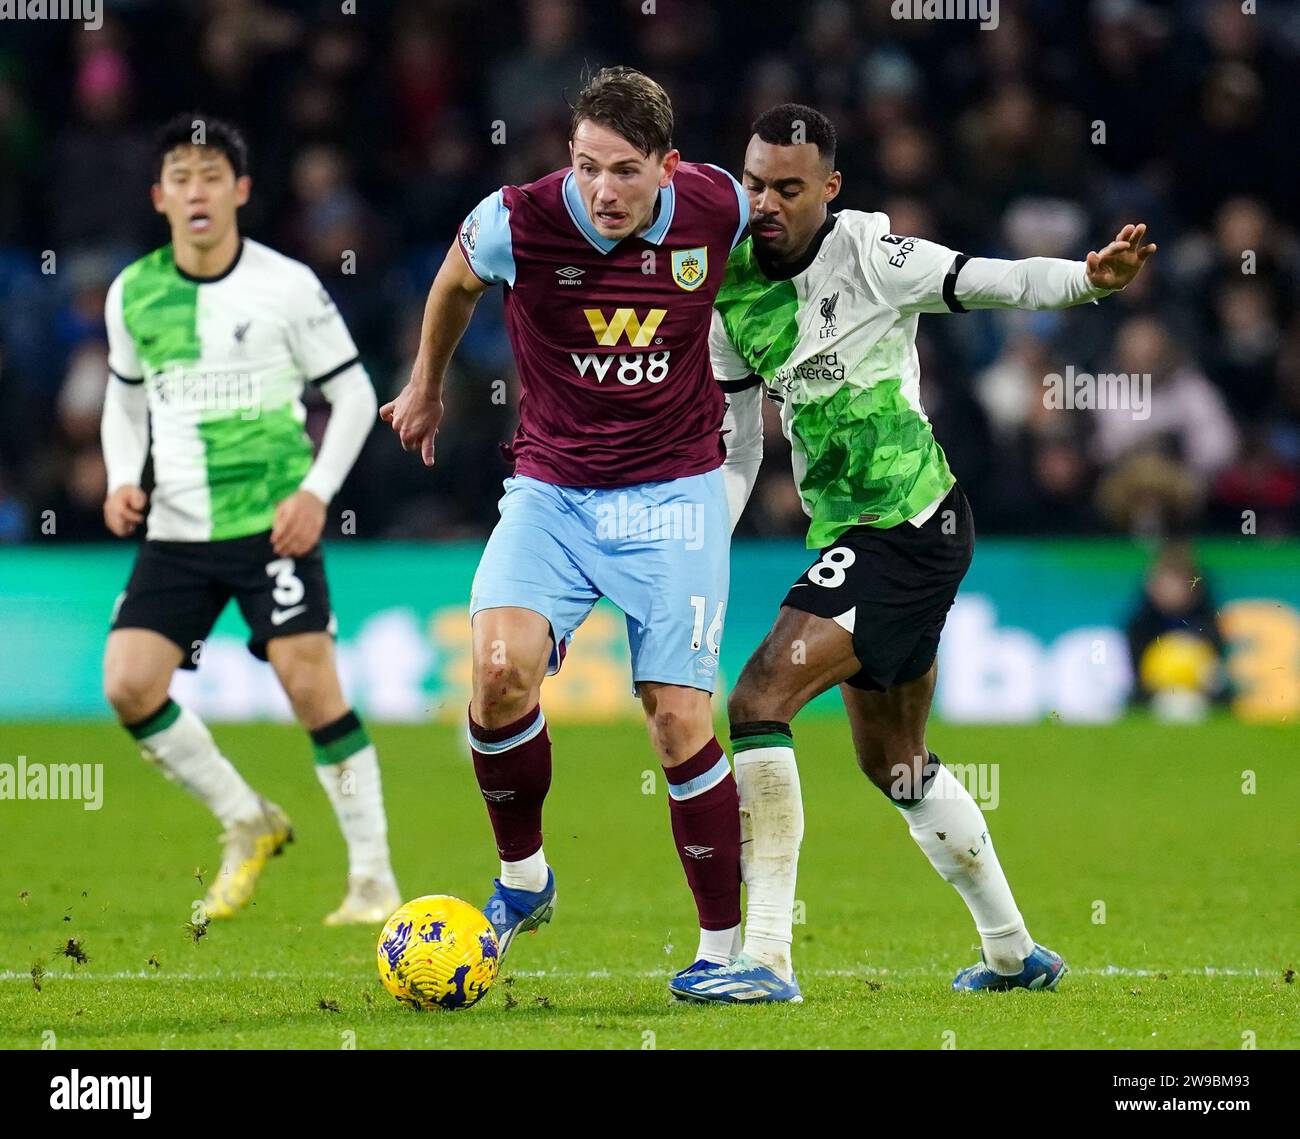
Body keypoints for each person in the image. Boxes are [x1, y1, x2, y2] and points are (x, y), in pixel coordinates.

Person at [672, 103, 1156, 1002]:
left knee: (759, 694)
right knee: (894, 761)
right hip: (856, 534)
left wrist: (1090, 281)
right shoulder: (729, 290)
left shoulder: (874, 255)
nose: (765, 202)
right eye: (753, 183)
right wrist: (708, 539)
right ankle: (1015, 953)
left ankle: (766, 958)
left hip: (908, 525)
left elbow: (996, 281)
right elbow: (738, 445)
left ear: (830, 188)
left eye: (787, 187)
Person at [381, 67, 751, 980]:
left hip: (675, 492)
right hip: (553, 488)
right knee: (499, 673)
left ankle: (722, 952)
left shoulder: (719, 206)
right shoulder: (519, 218)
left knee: (676, 722)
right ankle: (524, 877)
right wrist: (427, 385)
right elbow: (454, 284)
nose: (602, 190)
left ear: (669, 166)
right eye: (587, 166)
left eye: (625, 170)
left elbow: (796, 247)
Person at [101, 114, 398, 925]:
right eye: (180, 176)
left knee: (311, 684)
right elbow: (123, 402)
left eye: (211, 174)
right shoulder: (134, 291)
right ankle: (246, 816)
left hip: (272, 522)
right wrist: (125, 477)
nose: (196, 189)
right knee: (128, 685)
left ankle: (373, 879)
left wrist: (314, 494)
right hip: (176, 527)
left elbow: (354, 394)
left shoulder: (288, 285)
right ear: (161, 196)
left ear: (239, 191)